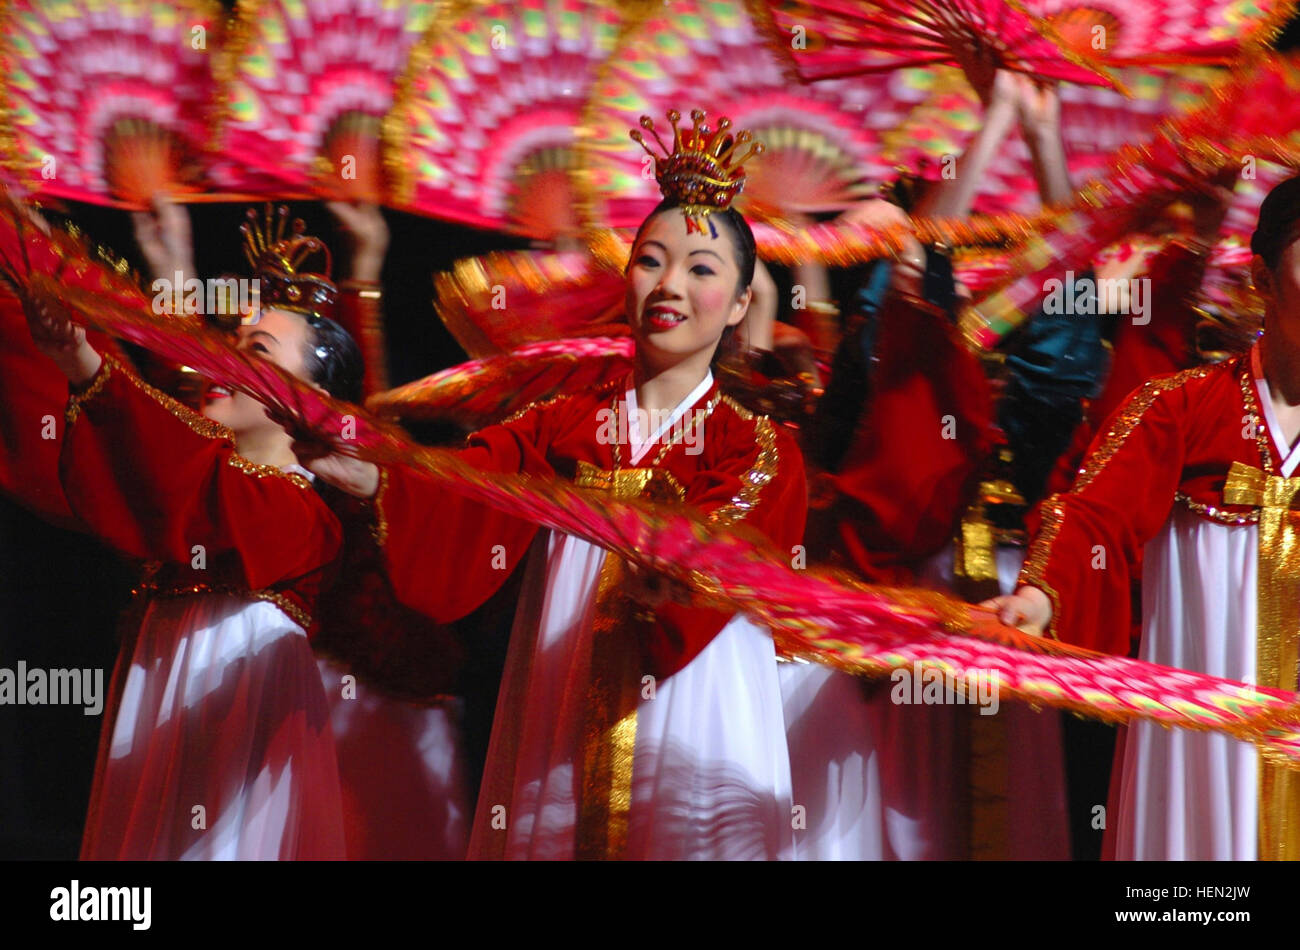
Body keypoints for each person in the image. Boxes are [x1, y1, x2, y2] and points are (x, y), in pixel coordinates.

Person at [304, 108, 809, 860]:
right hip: (562, 692)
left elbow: (736, 533)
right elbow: (468, 482)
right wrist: (380, 477)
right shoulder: (560, 423)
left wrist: (683, 575)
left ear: (740, 303)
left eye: (702, 269)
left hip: (694, 705)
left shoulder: (756, 443)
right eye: (651, 260)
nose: (670, 283)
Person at [19, 205, 364, 859]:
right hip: (160, 690)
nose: (223, 361)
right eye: (228, 345)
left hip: (235, 717)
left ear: (316, 400)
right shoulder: (203, 472)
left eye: (256, 351)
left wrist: (87, 365)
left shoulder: (304, 518)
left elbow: (182, 473)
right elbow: (162, 456)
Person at [986, 173, 1300, 861]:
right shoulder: (1178, 411)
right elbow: (1096, 514)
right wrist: (1040, 594)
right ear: (1263, 280)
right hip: (1205, 723)